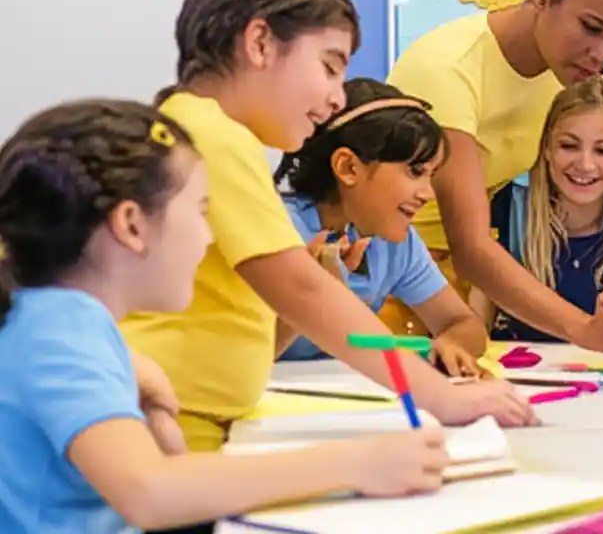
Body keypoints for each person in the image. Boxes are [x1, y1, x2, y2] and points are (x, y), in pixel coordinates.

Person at [120, 0, 533, 455]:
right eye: (329, 66)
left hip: (193, 425)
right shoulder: (215, 136)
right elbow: (303, 288)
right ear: (260, 44)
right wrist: (443, 398)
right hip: (169, 431)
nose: (337, 96)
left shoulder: (194, 129)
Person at [0, 101, 449, 534]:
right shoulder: (59, 333)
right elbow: (147, 490)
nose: (209, 235)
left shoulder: (55, 321)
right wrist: (357, 463)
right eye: (201, 211)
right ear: (132, 225)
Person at [384, 0, 603, 351]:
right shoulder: (448, 70)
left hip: (474, 291)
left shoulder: (566, 75)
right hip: (398, 280)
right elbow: (470, 247)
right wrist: (584, 327)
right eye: (591, 28)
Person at [273, 78, 487, 376]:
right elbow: (236, 355)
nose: (428, 193)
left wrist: (451, 344)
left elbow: (466, 324)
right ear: (348, 167)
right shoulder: (277, 229)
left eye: (431, 175)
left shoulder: (394, 242)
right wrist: (309, 297)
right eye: (415, 172)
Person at [481, 76, 603, 342]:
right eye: (568, 146)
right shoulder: (511, 203)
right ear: (546, 148)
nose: (585, 165)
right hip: (522, 356)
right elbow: (482, 300)